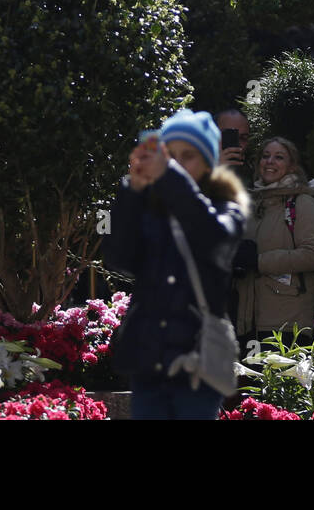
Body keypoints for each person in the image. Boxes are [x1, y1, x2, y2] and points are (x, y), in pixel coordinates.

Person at [103, 108, 248, 419]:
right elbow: (119, 259)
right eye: (172, 156)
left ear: (209, 163)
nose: (178, 165)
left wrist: (169, 177)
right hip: (148, 363)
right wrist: (132, 191)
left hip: (197, 364)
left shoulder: (227, 206)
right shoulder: (149, 207)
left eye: (188, 157)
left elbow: (214, 239)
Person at [231, 136, 314, 341]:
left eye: (279, 157)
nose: (270, 161)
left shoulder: (303, 202)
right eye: (265, 156)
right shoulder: (252, 203)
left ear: (292, 167)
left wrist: (259, 262)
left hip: (288, 322)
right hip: (248, 320)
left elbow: (312, 254)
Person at [215, 108, 253, 183]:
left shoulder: (256, 176)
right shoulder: (191, 169)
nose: (237, 144)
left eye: (243, 138)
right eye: (230, 136)